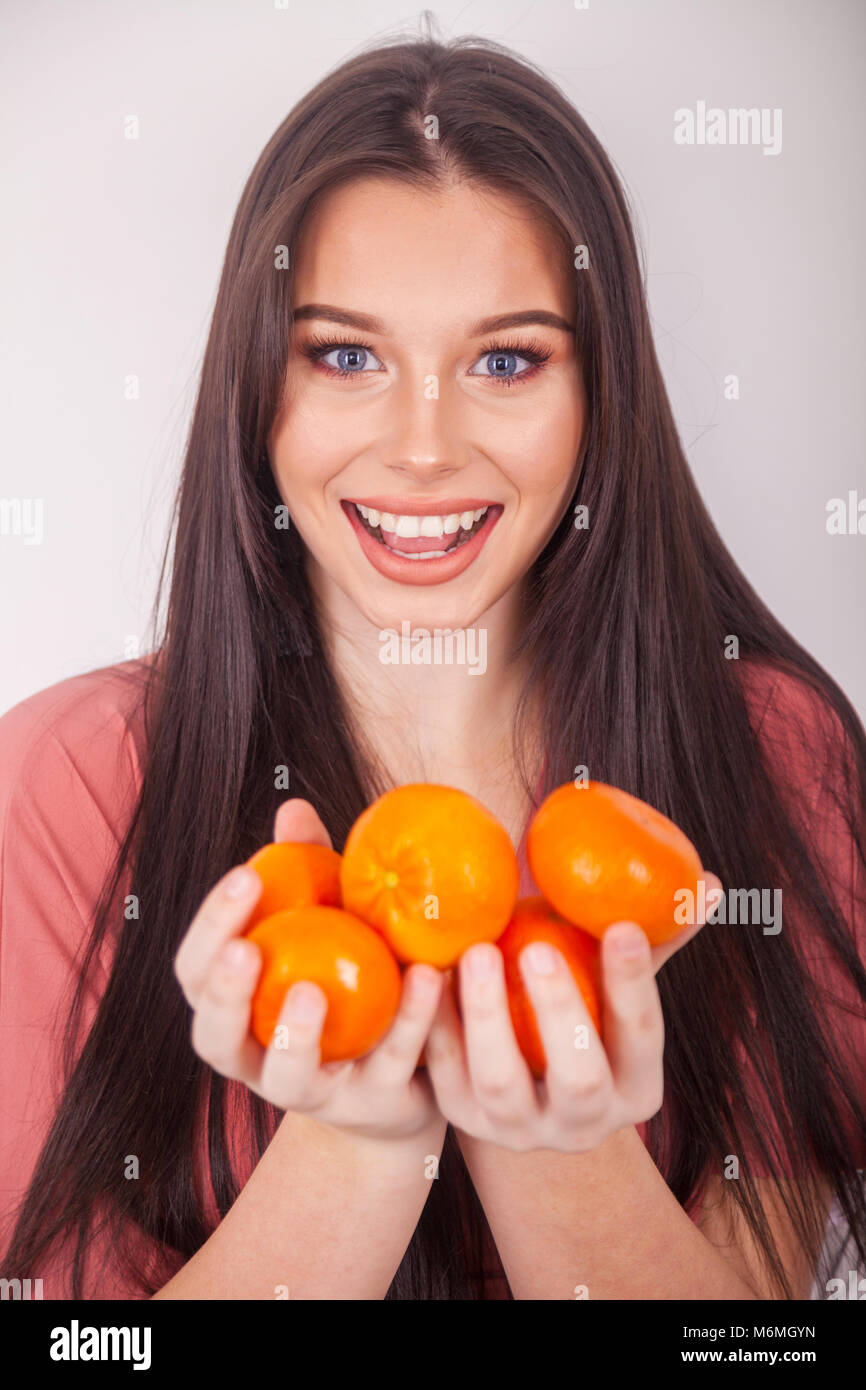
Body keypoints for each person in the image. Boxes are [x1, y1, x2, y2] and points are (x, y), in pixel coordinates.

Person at [2, 28, 864, 1302]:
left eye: (506, 360)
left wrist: (554, 1152)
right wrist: (360, 1143)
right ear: (256, 385)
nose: (422, 446)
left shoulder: (770, 748)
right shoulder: (64, 778)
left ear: (600, 394)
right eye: (344, 355)